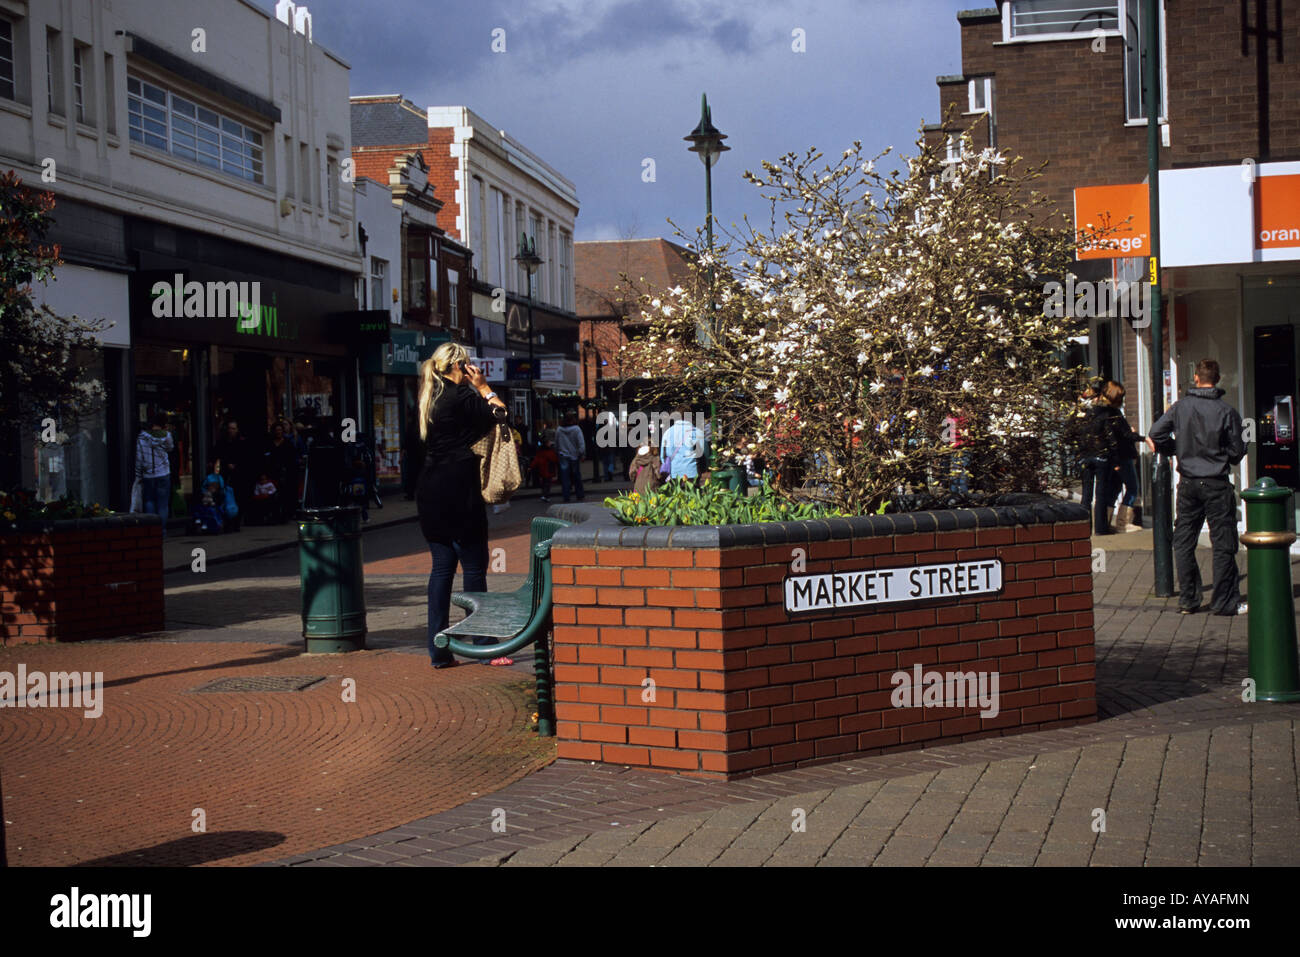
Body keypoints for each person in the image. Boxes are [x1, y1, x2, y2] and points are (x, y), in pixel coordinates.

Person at [417, 342, 512, 668]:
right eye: (467, 364)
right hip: (460, 491)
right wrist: (483, 386)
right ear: (459, 366)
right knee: (473, 569)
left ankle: (439, 652)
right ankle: (484, 645)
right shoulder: (463, 397)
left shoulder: (427, 399)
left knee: (441, 571)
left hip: (430, 492)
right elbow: (501, 415)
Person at [1147, 358, 1247, 616]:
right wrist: (1221, 454)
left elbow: (1155, 434)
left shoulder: (1180, 408)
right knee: (1223, 543)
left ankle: (1189, 600)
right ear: (1218, 379)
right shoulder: (1226, 412)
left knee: (1183, 540)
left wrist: (1175, 450)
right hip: (1215, 482)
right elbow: (1237, 452)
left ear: (1196, 379)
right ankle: (1223, 602)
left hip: (1189, 483)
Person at [1096, 381, 1146, 532]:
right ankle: (1123, 523)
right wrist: (1142, 437)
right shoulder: (1114, 414)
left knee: (1115, 488)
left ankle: (1106, 521)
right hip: (1123, 455)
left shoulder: (1100, 412)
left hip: (1112, 456)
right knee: (1132, 487)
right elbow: (1126, 434)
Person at [135, 413, 173, 536]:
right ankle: (162, 531)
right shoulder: (167, 436)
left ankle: (152, 531)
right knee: (163, 504)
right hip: (163, 473)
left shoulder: (141, 438)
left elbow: (139, 458)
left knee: (149, 501)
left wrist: (138, 475)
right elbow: (170, 448)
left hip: (148, 474)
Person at [212, 419, 251, 529]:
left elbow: (246, 458)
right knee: (225, 497)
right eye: (229, 428)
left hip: (238, 475)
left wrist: (236, 465)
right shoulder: (222, 442)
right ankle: (228, 522)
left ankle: (236, 522)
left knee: (238, 497)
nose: (231, 431)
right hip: (225, 473)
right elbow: (217, 454)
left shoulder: (241, 442)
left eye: (233, 428)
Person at [660, 410, 705, 483]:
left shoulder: (667, 432)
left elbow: (663, 456)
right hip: (692, 472)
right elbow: (703, 453)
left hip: (674, 473)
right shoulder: (697, 432)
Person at [556, 411, 586, 503]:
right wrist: (582, 453)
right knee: (576, 475)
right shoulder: (576, 429)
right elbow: (581, 443)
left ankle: (566, 496)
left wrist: (558, 452)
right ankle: (579, 494)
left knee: (565, 477)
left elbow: (556, 442)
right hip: (574, 455)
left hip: (563, 455)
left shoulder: (559, 430)